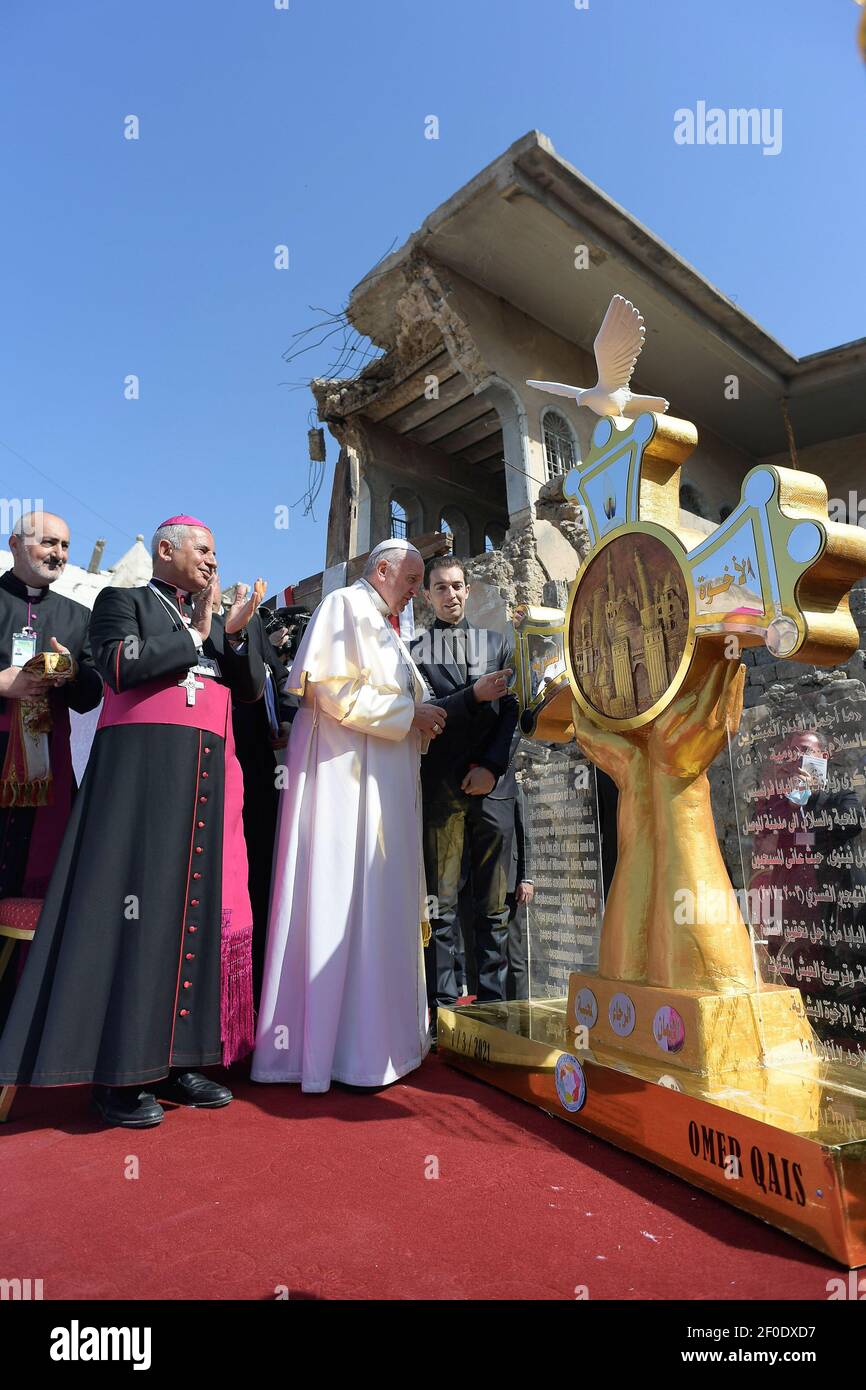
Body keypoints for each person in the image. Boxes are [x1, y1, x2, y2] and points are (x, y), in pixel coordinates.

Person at [0, 516, 267, 1128]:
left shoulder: (212, 615)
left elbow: (250, 690)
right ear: (165, 550)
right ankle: (118, 1075)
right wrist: (197, 634)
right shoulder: (124, 601)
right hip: (143, 778)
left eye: (217, 552)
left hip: (203, 777)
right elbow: (119, 666)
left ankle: (180, 1061)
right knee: (137, 918)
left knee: (192, 917)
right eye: (204, 549)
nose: (213, 561)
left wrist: (232, 634)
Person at [252, 538, 447, 1093]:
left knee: (376, 906)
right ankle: (334, 1053)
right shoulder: (343, 605)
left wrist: (418, 719)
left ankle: (380, 1046)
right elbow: (332, 692)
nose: (415, 592)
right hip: (343, 785)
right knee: (340, 897)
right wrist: (411, 714)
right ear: (382, 569)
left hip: (382, 790)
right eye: (411, 580)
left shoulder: (385, 625)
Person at [0, 511, 103, 1023]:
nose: (58, 553)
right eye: (47, 542)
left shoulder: (77, 617)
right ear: (16, 543)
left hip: (49, 774)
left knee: (36, 882)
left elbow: (92, 696)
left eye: (64, 545)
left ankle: (21, 1012)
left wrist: (73, 674)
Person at [410, 556, 518, 1026]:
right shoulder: (414, 652)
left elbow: (513, 711)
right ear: (426, 595)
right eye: (439, 587)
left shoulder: (498, 644)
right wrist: (472, 697)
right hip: (442, 788)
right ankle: (444, 1013)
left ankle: (495, 1011)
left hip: (493, 789)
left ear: (468, 590)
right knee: (442, 907)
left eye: (456, 586)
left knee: (494, 908)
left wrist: (492, 767)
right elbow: (425, 713)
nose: (450, 594)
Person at [231, 606, 293, 1006]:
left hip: (262, 769)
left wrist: (286, 718)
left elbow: (279, 677)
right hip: (222, 766)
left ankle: (259, 989)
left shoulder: (251, 621)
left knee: (262, 878)